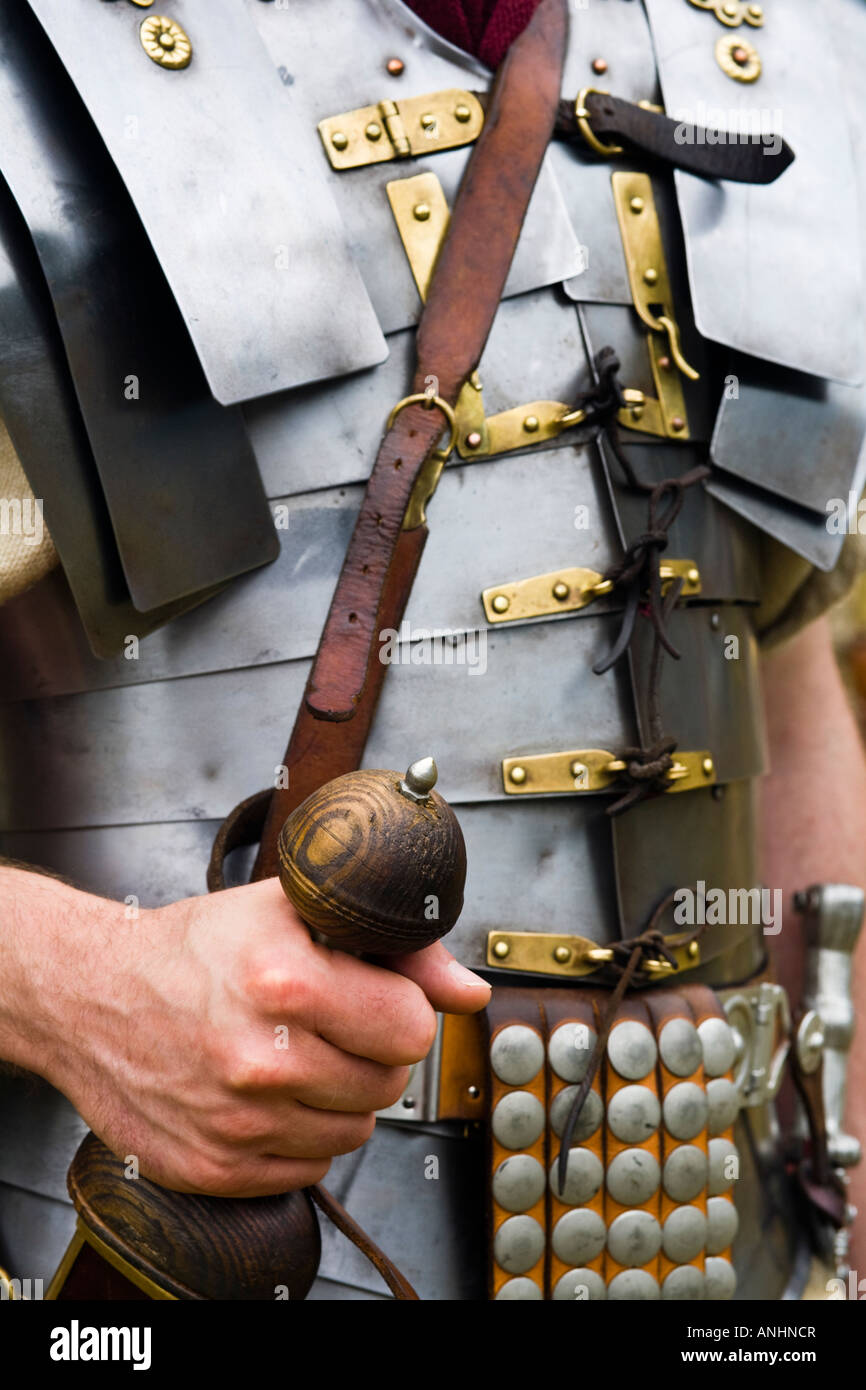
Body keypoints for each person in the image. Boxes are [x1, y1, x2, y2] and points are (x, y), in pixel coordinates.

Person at [1, 0, 864, 1301]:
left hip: (720, 1264)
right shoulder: (39, 65)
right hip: (179, 1269)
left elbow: (776, 678)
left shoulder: (769, 55)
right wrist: (74, 986)